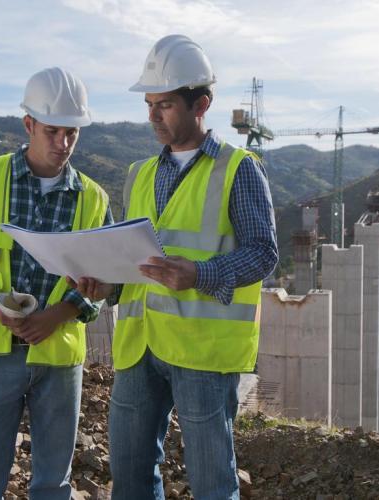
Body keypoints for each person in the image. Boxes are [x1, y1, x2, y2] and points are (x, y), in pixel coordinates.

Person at [72, 35, 278, 500]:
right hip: (139, 347)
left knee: (211, 483)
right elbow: (135, 264)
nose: (152, 116)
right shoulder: (140, 173)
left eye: (164, 104)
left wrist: (200, 274)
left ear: (201, 103)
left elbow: (264, 254)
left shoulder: (239, 169)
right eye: (149, 104)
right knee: (129, 478)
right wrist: (105, 287)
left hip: (203, 353)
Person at [0, 67, 112, 500]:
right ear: (29, 125)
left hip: (58, 355)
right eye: (52, 131)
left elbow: (105, 272)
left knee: (53, 483)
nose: (63, 143)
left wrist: (60, 313)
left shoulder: (93, 198)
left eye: (72, 133)